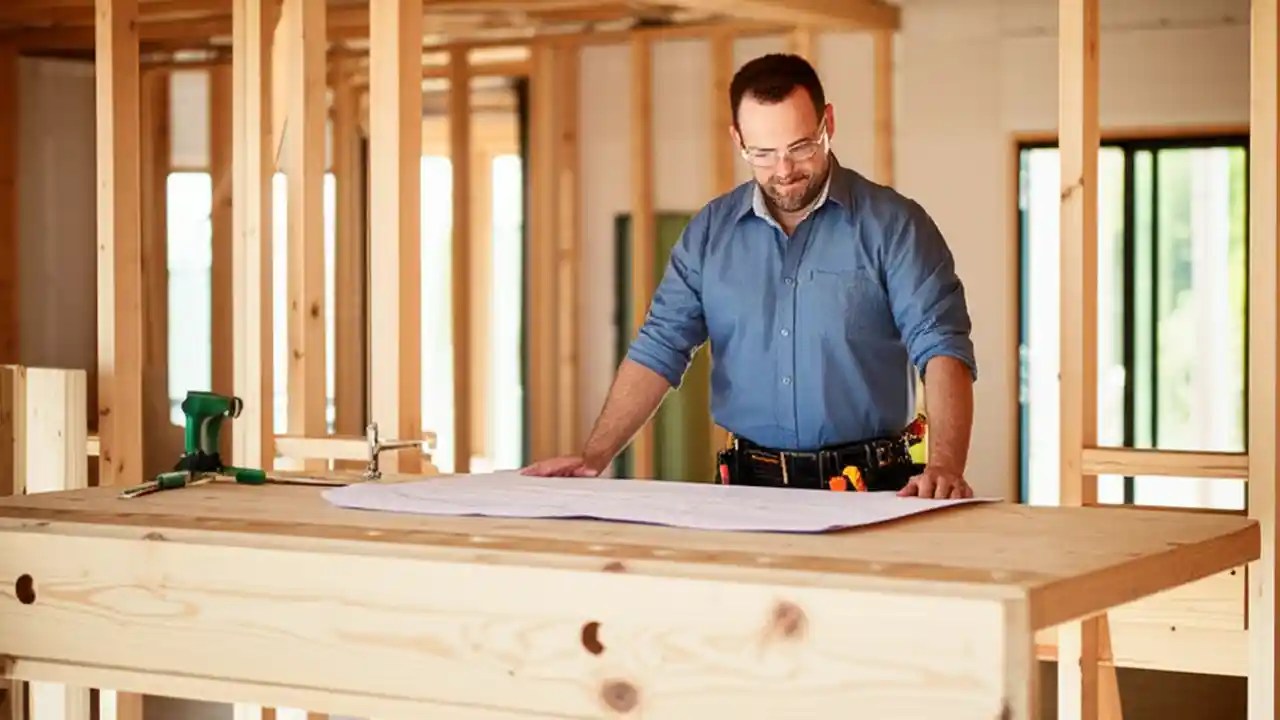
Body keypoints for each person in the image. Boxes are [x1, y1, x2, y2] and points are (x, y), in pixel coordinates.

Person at [521, 53, 977, 499]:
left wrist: (944, 465)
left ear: (828, 124)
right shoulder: (709, 234)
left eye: (801, 147)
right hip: (745, 489)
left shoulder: (894, 225)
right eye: (762, 153)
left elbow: (941, 347)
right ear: (738, 140)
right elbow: (660, 346)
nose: (784, 171)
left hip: (871, 487)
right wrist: (594, 456)